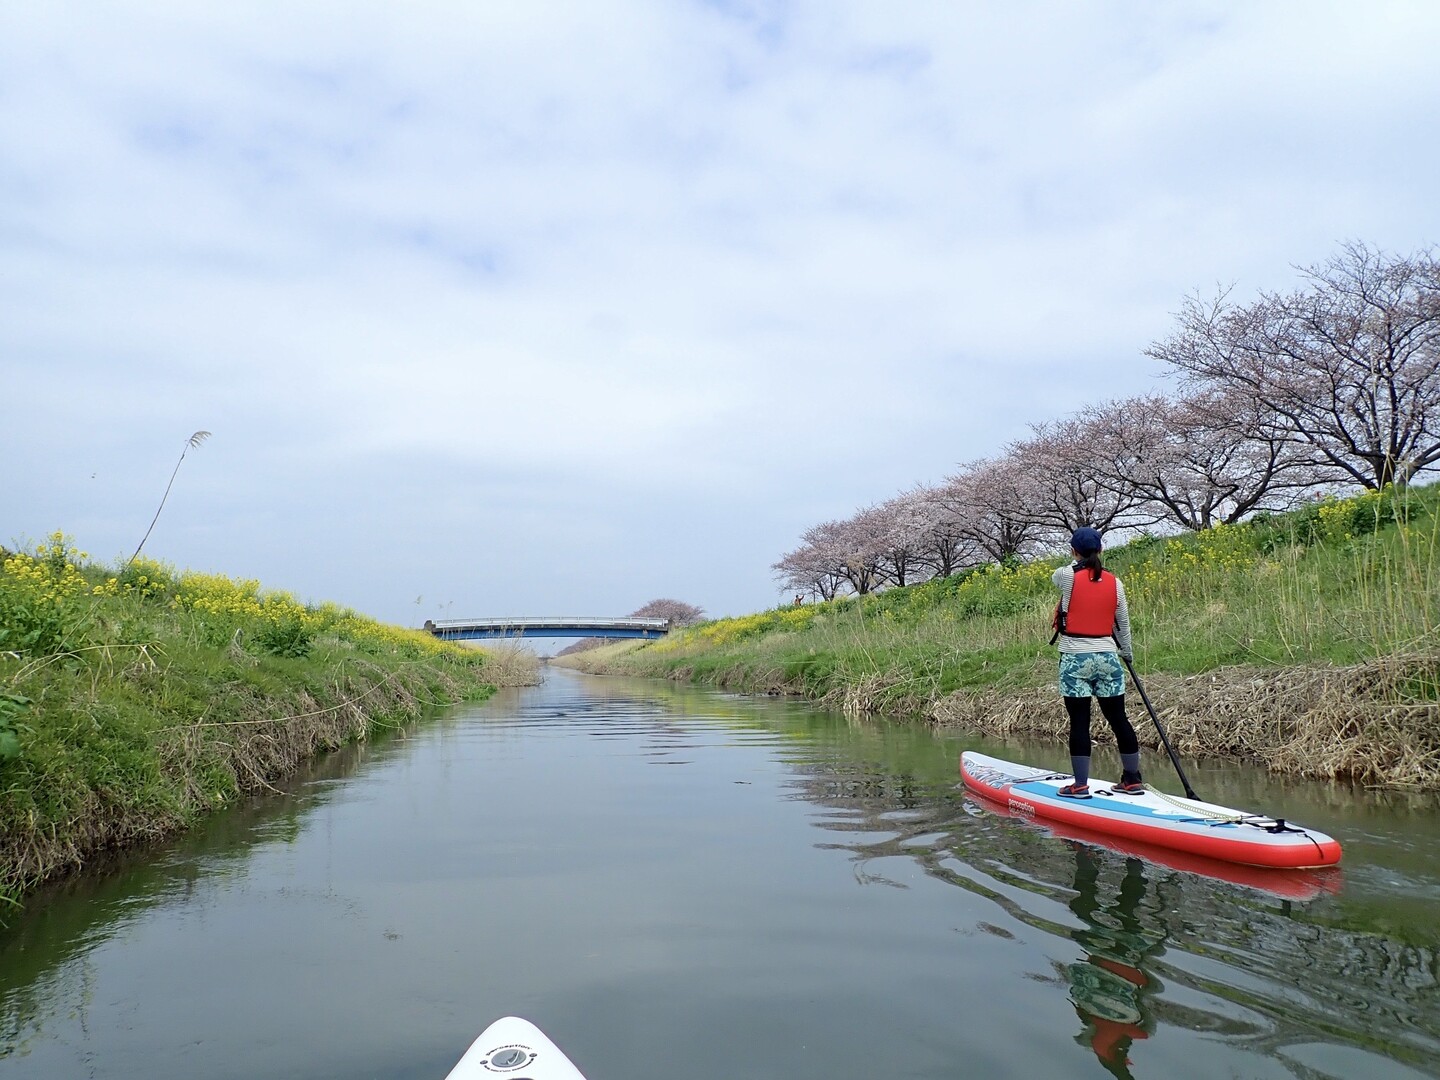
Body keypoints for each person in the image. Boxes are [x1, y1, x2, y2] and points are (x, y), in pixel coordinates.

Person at [1051, 526, 1142, 798]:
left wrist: (1078, 561)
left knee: (1079, 722)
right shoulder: (1116, 583)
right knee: (1119, 719)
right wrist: (1127, 652)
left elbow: (1060, 575)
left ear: (1073, 551)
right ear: (1101, 550)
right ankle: (1132, 780)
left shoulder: (1066, 575)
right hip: (1108, 658)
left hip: (1075, 660)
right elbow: (1122, 622)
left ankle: (1079, 785)